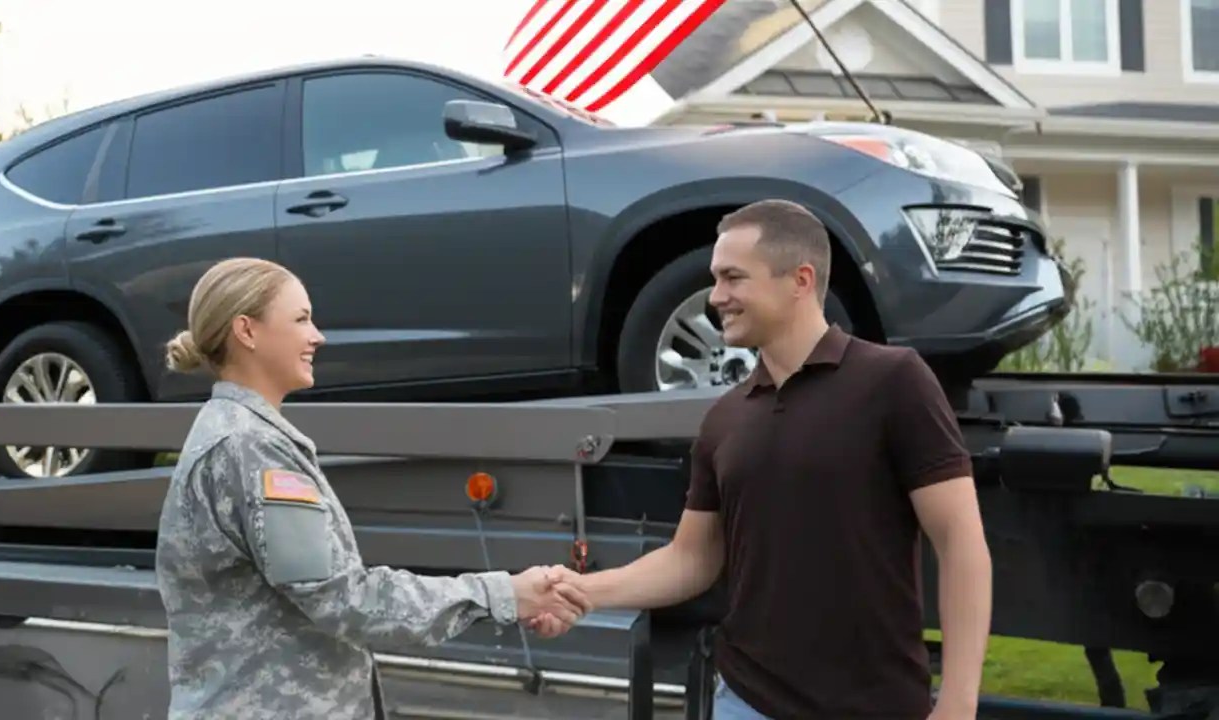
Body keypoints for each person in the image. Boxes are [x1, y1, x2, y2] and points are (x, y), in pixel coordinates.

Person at [534, 200, 993, 719]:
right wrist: (581, 592)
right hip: (746, 703)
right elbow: (691, 559)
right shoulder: (725, 418)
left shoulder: (893, 382)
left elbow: (960, 544)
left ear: (799, 279)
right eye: (715, 279)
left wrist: (957, 701)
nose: (716, 297)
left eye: (733, 278)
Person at [154, 257, 591, 720]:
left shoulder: (242, 435)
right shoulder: (250, 446)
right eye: (301, 319)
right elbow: (344, 599)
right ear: (247, 331)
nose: (316, 335)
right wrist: (501, 595)